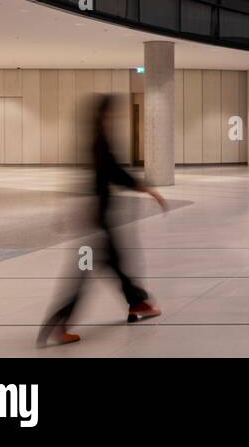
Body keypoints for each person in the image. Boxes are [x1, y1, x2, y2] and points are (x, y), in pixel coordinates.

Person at [38, 94, 167, 346]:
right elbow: (113, 172)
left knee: (114, 261)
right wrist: (147, 188)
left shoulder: (96, 138)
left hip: (98, 218)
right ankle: (60, 322)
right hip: (97, 220)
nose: (116, 118)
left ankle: (137, 303)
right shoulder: (100, 142)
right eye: (113, 113)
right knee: (84, 270)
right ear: (106, 114)